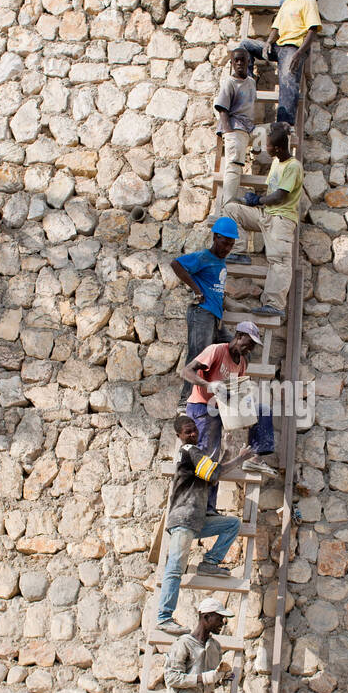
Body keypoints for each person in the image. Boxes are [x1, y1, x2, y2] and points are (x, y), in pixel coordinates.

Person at [153, 416, 254, 635]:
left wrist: (226, 452)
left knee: (231, 524)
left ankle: (209, 562)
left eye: (194, 431)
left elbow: (210, 477)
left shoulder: (193, 456)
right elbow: (214, 473)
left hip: (196, 519)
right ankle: (163, 617)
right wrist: (239, 458)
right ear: (179, 436)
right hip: (184, 519)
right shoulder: (190, 449)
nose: (192, 435)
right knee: (175, 569)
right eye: (187, 432)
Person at [181, 322, 265, 509]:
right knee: (201, 458)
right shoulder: (216, 351)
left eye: (253, 345)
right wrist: (209, 385)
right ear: (239, 335)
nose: (250, 348)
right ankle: (194, 506)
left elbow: (235, 392)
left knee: (212, 461)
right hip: (201, 408)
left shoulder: (242, 363)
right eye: (249, 342)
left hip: (218, 412)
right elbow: (186, 371)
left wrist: (243, 415)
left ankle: (208, 508)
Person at [223, 124, 302, 317]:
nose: (266, 148)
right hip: (267, 213)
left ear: (278, 149)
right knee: (232, 209)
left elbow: (279, 196)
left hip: (281, 219)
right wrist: (254, 203)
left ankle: (274, 305)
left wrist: (257, 200)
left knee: (279, 261)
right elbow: (270, 195)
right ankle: (239, 251)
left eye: (268, 146)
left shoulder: (293, 166)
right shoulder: (277, 162)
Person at [238, 0, 321, 127]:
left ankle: (284, 126)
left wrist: (300, 53)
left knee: (288, 82)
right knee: (244, 46)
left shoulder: (308, 2)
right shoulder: (287, 3)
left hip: (293, 48)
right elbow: (276, 27)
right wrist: (268, 42)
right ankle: (247, 86)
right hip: (278, 47)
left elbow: (312, 30)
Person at [173, 217, 238, 401]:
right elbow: (176, 264)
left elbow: (217, 290)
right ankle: (186, 400)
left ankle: (217, 394)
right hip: (202, 313)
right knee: (197, 355)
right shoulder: (204, 257)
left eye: (231, 245)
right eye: (224, 243)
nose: (227, 248)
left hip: (215, 317)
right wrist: (196, 290)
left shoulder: (220, 262)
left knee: (233, 349)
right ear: (215, 237)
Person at [213, 48, 257, 221]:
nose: (239, 63)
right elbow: (222, 109)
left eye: (242, 60)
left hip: (249, 127)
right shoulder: (229, 83)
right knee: (234, 163)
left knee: (274, 132)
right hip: (234, 126)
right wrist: (229, 133)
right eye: (236, 61)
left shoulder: (251, 83)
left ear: (247, 62)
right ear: (232, 63)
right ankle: (228, 206)